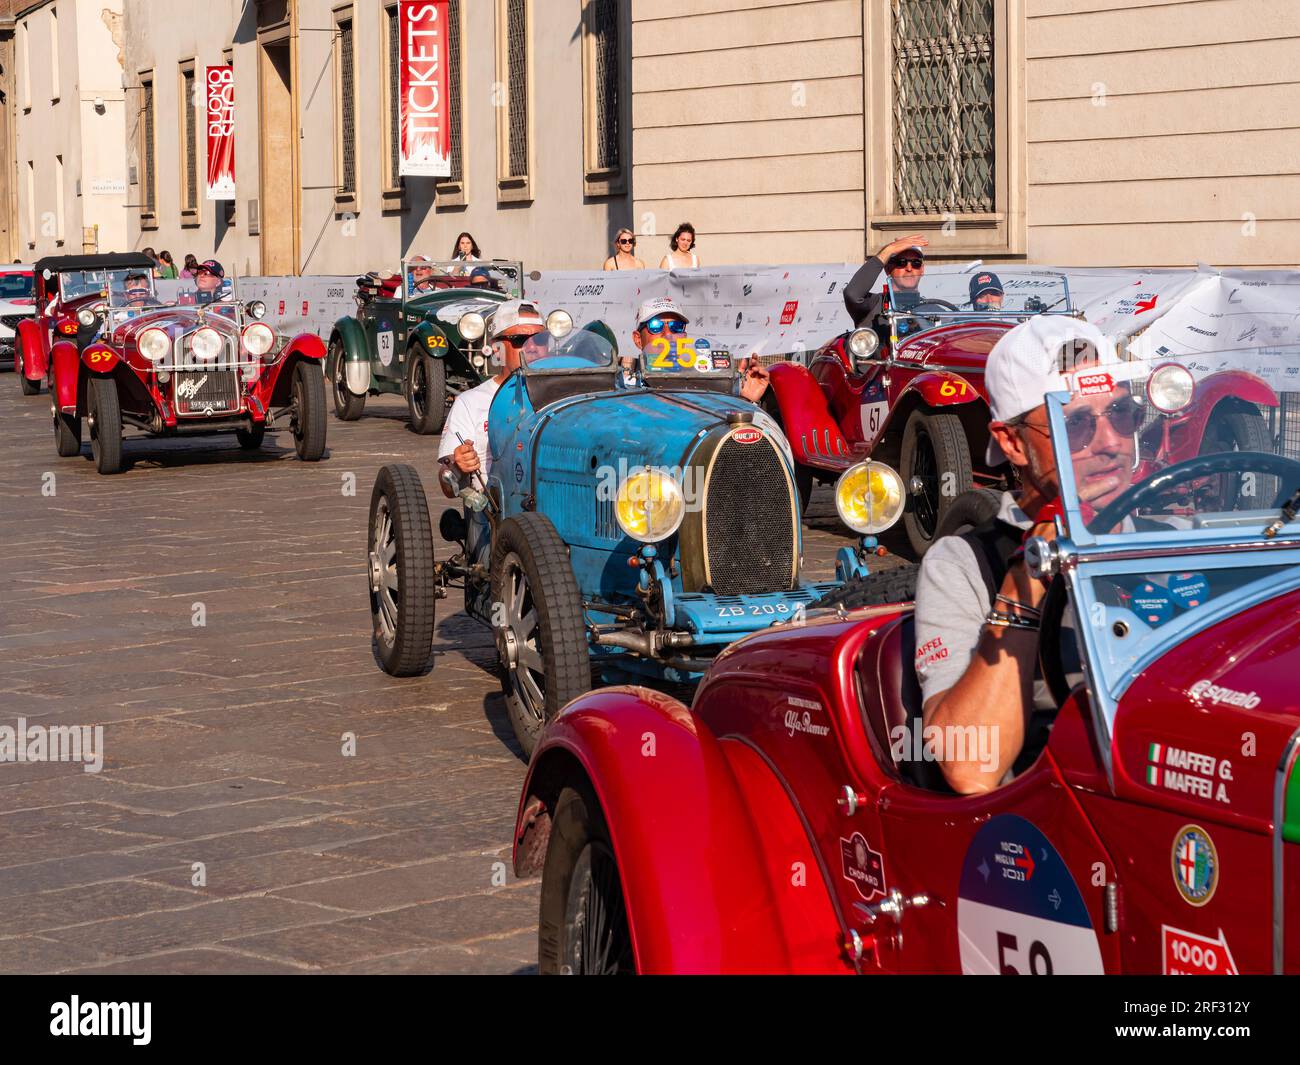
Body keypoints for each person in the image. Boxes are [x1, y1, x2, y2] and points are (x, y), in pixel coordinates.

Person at [912, 316, 1145, 795]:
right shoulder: (964, 563)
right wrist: (1029, 577)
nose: (1109, 443)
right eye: (1074, 424)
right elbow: (970, 767)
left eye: (1122, 415)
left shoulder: (1178, 538)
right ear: (1012, 443)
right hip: (1054, 822)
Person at [624, 296, 769, 403]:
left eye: (676, 327)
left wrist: (745, 398)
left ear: (684, 336)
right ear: (638, 339)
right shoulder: (623, 388)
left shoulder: (708, 382)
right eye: (656, 326)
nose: (668, 334)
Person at [842, 234, 931, 337]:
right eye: (901, 262)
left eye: (916, 263)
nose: (909, 268)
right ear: (888, 269)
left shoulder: (934, 309)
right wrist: (889, 250)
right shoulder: (873, 305)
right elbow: (852, 294)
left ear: (922, 269)